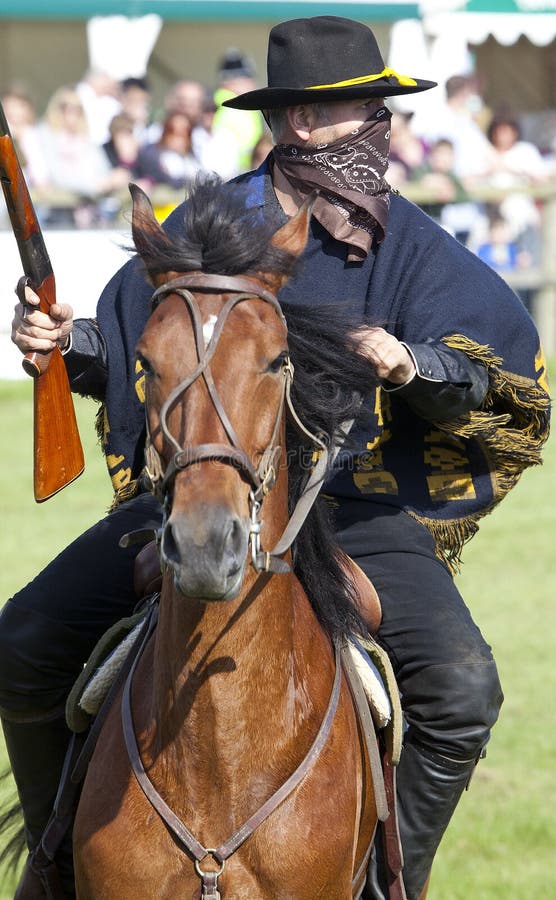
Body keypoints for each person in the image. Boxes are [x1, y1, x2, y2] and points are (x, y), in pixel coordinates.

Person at [2, 16, 550, 900]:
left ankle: (387, 883)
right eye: (319, 108)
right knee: (21, 643)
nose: (337, 124)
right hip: (201, 486)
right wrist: (66, 346)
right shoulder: (208, 224)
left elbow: (491, 375)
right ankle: (58, 867)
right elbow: (135, 342)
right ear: (285, 117)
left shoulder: (412, 245)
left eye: (351, 106)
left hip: (353, 508)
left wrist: (410, 363)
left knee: (460, 688)